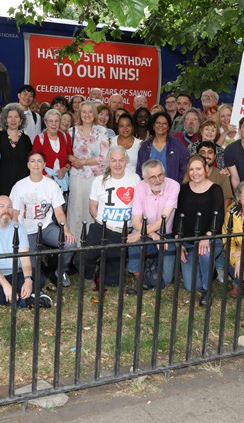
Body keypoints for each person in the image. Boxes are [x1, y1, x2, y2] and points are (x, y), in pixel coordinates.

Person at [0, 196, 50, 310]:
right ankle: (25, 301)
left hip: (13, 273)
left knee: (38, 278)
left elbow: (24, 257)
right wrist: (5, 284)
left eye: (9, 207)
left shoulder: (19, 228)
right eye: (1, 207)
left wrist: (27, 280)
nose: (6, 210)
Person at [75, 146, 140, 288]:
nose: (117, 164)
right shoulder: (99, 180)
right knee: (82, 258)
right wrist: (101, 220)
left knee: (112, 282)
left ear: (126, 161)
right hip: (101, 227)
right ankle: (90, 272)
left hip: (121, 231)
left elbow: (140, 204)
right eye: (114, 160)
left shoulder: (134, 179)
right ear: (108, 162)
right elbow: (92, 205)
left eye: (121, 160)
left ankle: (102, 267)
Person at [10, 150, 77, 286]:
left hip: (46, 227)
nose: (36, 164)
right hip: (27, 231)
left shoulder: (51, 185)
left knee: (70, 244)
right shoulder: (19, 186)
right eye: (33, 161)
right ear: (28, 165)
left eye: (39, 161)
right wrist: (16, 233)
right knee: (32, 272)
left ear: (44, 165)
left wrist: (66, 230)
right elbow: (15, 214)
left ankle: (60, 271)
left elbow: (59, 212)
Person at [175, 155, 224, 304]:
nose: (195, 173)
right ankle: (210, 271)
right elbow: (178, 216)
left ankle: (207, 290)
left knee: (204, 252)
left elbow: (218, 216)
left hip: (209, 241)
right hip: (189, 243)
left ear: (206, 169)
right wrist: (179, 239)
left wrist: (207, 236)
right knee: (191, 286)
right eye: (191, 169)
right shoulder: (183, 189)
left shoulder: (215, 189)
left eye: (198, 169)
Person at [126, 159, 180, 293]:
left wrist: (140, 233)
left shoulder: (173, 186)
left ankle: (151, 262)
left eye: (161, 175)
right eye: (153, 177)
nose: (158, 180)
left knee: (166, 279)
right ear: (144, 178)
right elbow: (135, 221)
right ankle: (136, 275)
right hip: (146, 229)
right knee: (135, 241)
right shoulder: (139, 187)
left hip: (166, 233)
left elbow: (163, 220)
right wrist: (151, 234)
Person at [67, 100, 111, 242]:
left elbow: (104, 156)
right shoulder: (71, 131)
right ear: (79, 114)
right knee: (75, 210)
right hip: (76, 176)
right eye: (84, 111)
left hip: (95, 177)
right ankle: (73, 246)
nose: (87, 115)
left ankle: (89, 246)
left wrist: (83, 161)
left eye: (90, 111)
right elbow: (65, 153)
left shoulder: (101, 130)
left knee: (91, 210)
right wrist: (74, 160)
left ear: (95, 114)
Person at [135, 111, 188, 183]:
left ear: (168, 127)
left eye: (164, 123)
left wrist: (177, 185)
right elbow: (139, 170)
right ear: (153, 126)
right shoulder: (145, 147)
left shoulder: (177, 145)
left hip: (171, 189)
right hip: (149, 189)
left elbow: (185, 167)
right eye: (158, 123)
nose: (161, 125)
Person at [0, 103, 32, 196]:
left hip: (22, 185)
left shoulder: (26, 139)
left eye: (16, 117)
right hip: (2, 184)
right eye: (10, 117)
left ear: (21, 120)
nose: (13, 120)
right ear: (5, 120)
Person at [31, 109, 73, 194]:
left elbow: (70, 158)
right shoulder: (39, 139)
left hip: (62, 182)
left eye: (56, 121)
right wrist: (49, 179)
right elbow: (35, 162)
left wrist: (65, 169)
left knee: (61, 207)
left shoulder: (66, 137)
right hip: (44, 181)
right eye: (50, 121)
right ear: (46, 123)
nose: (54, 124)